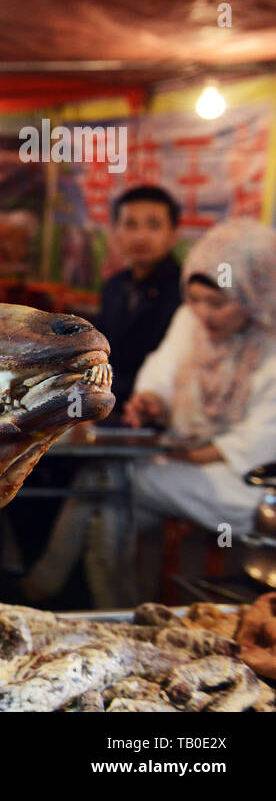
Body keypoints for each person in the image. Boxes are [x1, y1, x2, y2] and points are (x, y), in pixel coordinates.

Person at [24, 218, 276, 607]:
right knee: (108, 500)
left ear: (257, 294)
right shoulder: (189, 320)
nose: (205, 314)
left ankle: (57, 589)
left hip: (250, 485)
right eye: (197, 301)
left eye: (219, 303)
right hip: (179, 461)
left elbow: (265, 436)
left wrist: (195, 453)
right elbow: (159, 375)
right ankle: (116, 606)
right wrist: (152, 401)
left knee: (110, 485)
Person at [97, 185, 182, 421]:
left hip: (155, 412)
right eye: (130, 224)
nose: (140, 236)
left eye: (153, 225)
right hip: (106, 406)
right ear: (116, 231)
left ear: (174, 233)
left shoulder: (184, 291)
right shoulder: (113, 286)